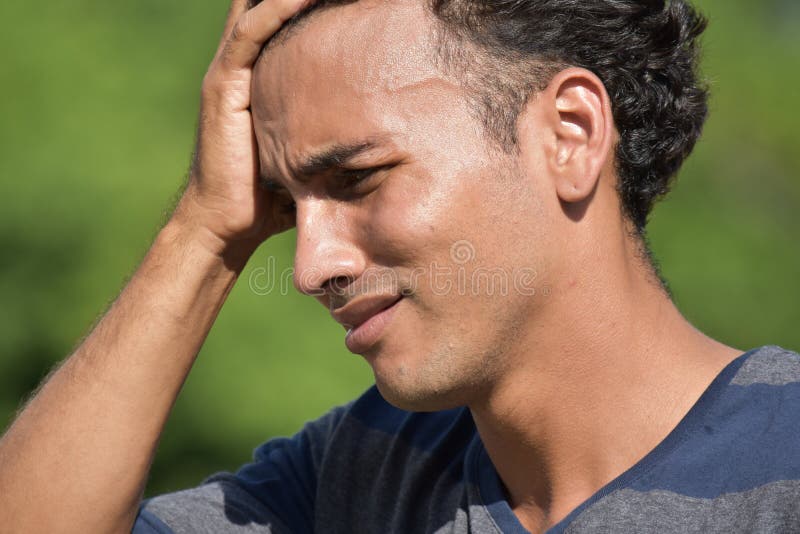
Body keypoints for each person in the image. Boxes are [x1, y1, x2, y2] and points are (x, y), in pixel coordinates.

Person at [1, 0, 798, 532]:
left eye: (357, 179)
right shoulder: (359, 476)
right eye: (285, 201)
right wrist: (204, 231)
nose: (311, 267)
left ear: (570, 134)